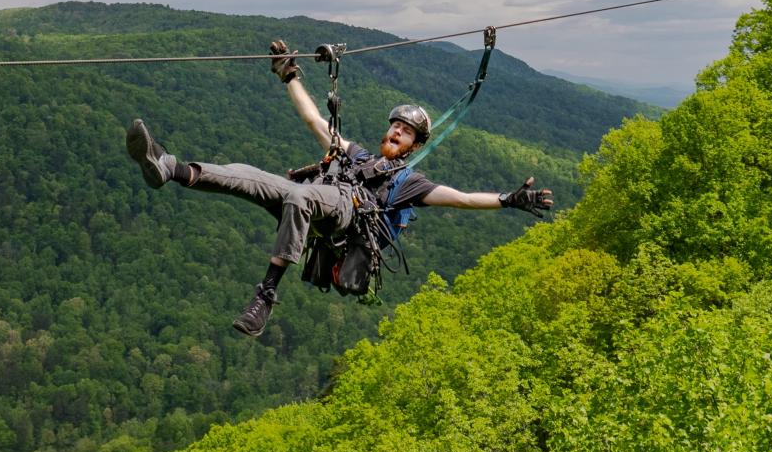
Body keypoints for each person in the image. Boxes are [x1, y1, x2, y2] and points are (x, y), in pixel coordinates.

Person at [125, 40, 554, 338]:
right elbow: (315, 121)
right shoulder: (358, 154)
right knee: (247, 175)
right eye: (395, 126)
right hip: (312, 204)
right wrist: (289, 75)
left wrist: (508, 200)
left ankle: (266, 296)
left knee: (300, 196)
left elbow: (460, 199)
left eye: (406, 132)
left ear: (415, 145)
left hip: (343, 216)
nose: (397, 132)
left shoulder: (407, 182)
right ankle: (169, 168)